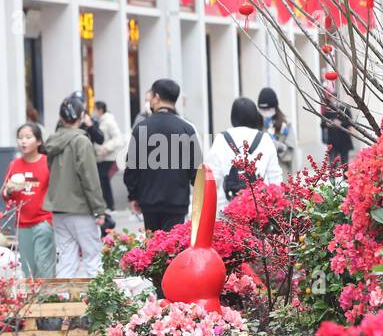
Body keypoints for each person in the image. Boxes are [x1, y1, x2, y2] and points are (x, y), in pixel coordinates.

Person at [124, 78, 202, 234]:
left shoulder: (141, 128)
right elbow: (197, 172)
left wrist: (133, 195)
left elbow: (132, 167)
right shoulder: (187, 129)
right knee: (172, 249)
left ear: (157, 97)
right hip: (177, 202)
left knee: (152, 251)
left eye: (151, 97)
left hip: (149, 202)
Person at [44, 96, 107, 278]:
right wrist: (99, 209)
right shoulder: (81, 141)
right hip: (81, 207)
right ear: (81, 115)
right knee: (93, 256)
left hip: (58, 208)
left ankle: (63, 301)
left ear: (61, 117)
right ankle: (97, 302)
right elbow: (89, 178)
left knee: (66, 258)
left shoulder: (53, 141)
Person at [205, 97, 283, 207]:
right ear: (255, 116)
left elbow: (212, 178)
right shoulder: (265, 139)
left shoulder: (221, 139)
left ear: (233, 117)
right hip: (259, 209)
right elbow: (275, 177)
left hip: (226, 208)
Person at [2, 122, 54, 279]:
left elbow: (56, 190)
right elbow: (5, 194)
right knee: (28, 268)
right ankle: (33, 301)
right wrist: (10, 189)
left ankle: (48, 300)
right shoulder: (14, 164)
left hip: (43, 220)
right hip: (22, 223)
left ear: (38, 141)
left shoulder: (47, 162)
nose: (23, 141)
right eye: (20, 138)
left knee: (44, 264)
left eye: (28, 137)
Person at [92, 100, 125, 212]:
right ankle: (108, 205)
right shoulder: (100, 121)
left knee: (103, 179)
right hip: (101, 157)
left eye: (95, 109)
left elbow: (118, 139)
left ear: (100, 110)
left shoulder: (109, 121)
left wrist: (106, 147)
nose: (93, 112)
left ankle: (109, 206)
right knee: (103, 180)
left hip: (108, 157)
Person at [256, 87, 295, 177]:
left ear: (275, 108)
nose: (265, 113)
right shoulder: (256, 124)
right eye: (262, 110)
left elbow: (290, 154)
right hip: (260, 174)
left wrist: (276, 145)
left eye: (268, 109)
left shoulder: (285, 125)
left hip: (280, 173)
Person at [322, 100, 354, 167]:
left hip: (344, 139)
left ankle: (345, 176)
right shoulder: (327, 111)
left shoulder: (345, 110)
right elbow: (322, 124)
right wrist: (327, 123)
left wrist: (341, 123)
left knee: (345, 161)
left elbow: (350, 122)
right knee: (332, 161)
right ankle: (332, 177)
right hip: (332, 140)